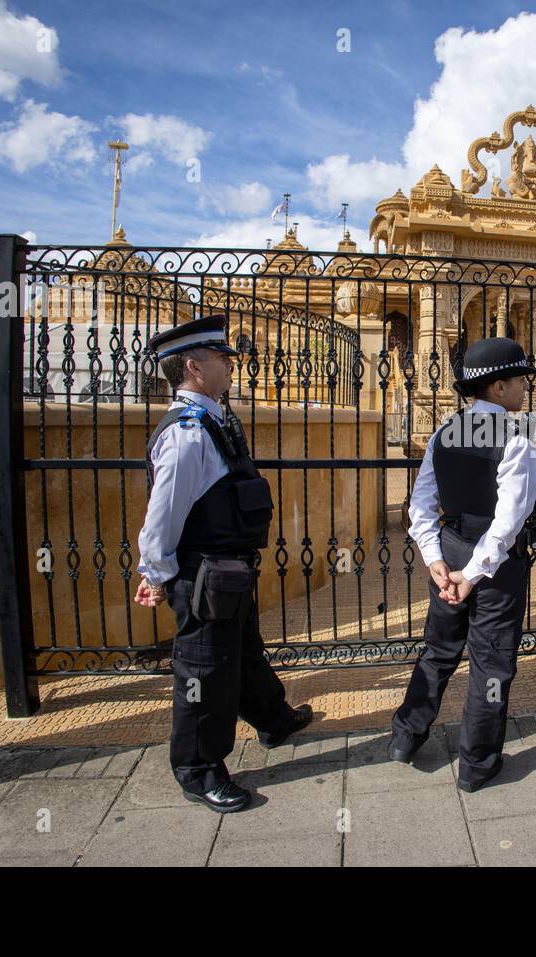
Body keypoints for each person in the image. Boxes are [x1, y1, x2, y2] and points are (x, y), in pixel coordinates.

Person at [134, 315, 311, 813]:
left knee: (244, 650)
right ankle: (198, 768)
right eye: (221, 359)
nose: (231, 365)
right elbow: (163, 514)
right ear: (193, 366)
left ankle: (273, 719)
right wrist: (156, 573)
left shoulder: (211, 419)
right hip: (203, 572)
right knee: (205, 670)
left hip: (227, 570)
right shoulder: (188, 434)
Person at [389, 338, 536, 791]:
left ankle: (406, 735)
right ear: (498, 387)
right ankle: (476, 763)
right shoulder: (517, 439)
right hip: (492, 567)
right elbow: (508, 522)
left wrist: (437, 561)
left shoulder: (445, 432)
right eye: (519, 380)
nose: (524, 388)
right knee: (491, 663)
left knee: (439, 650)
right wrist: (473, 573)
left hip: (453, 549)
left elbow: (420, 505)